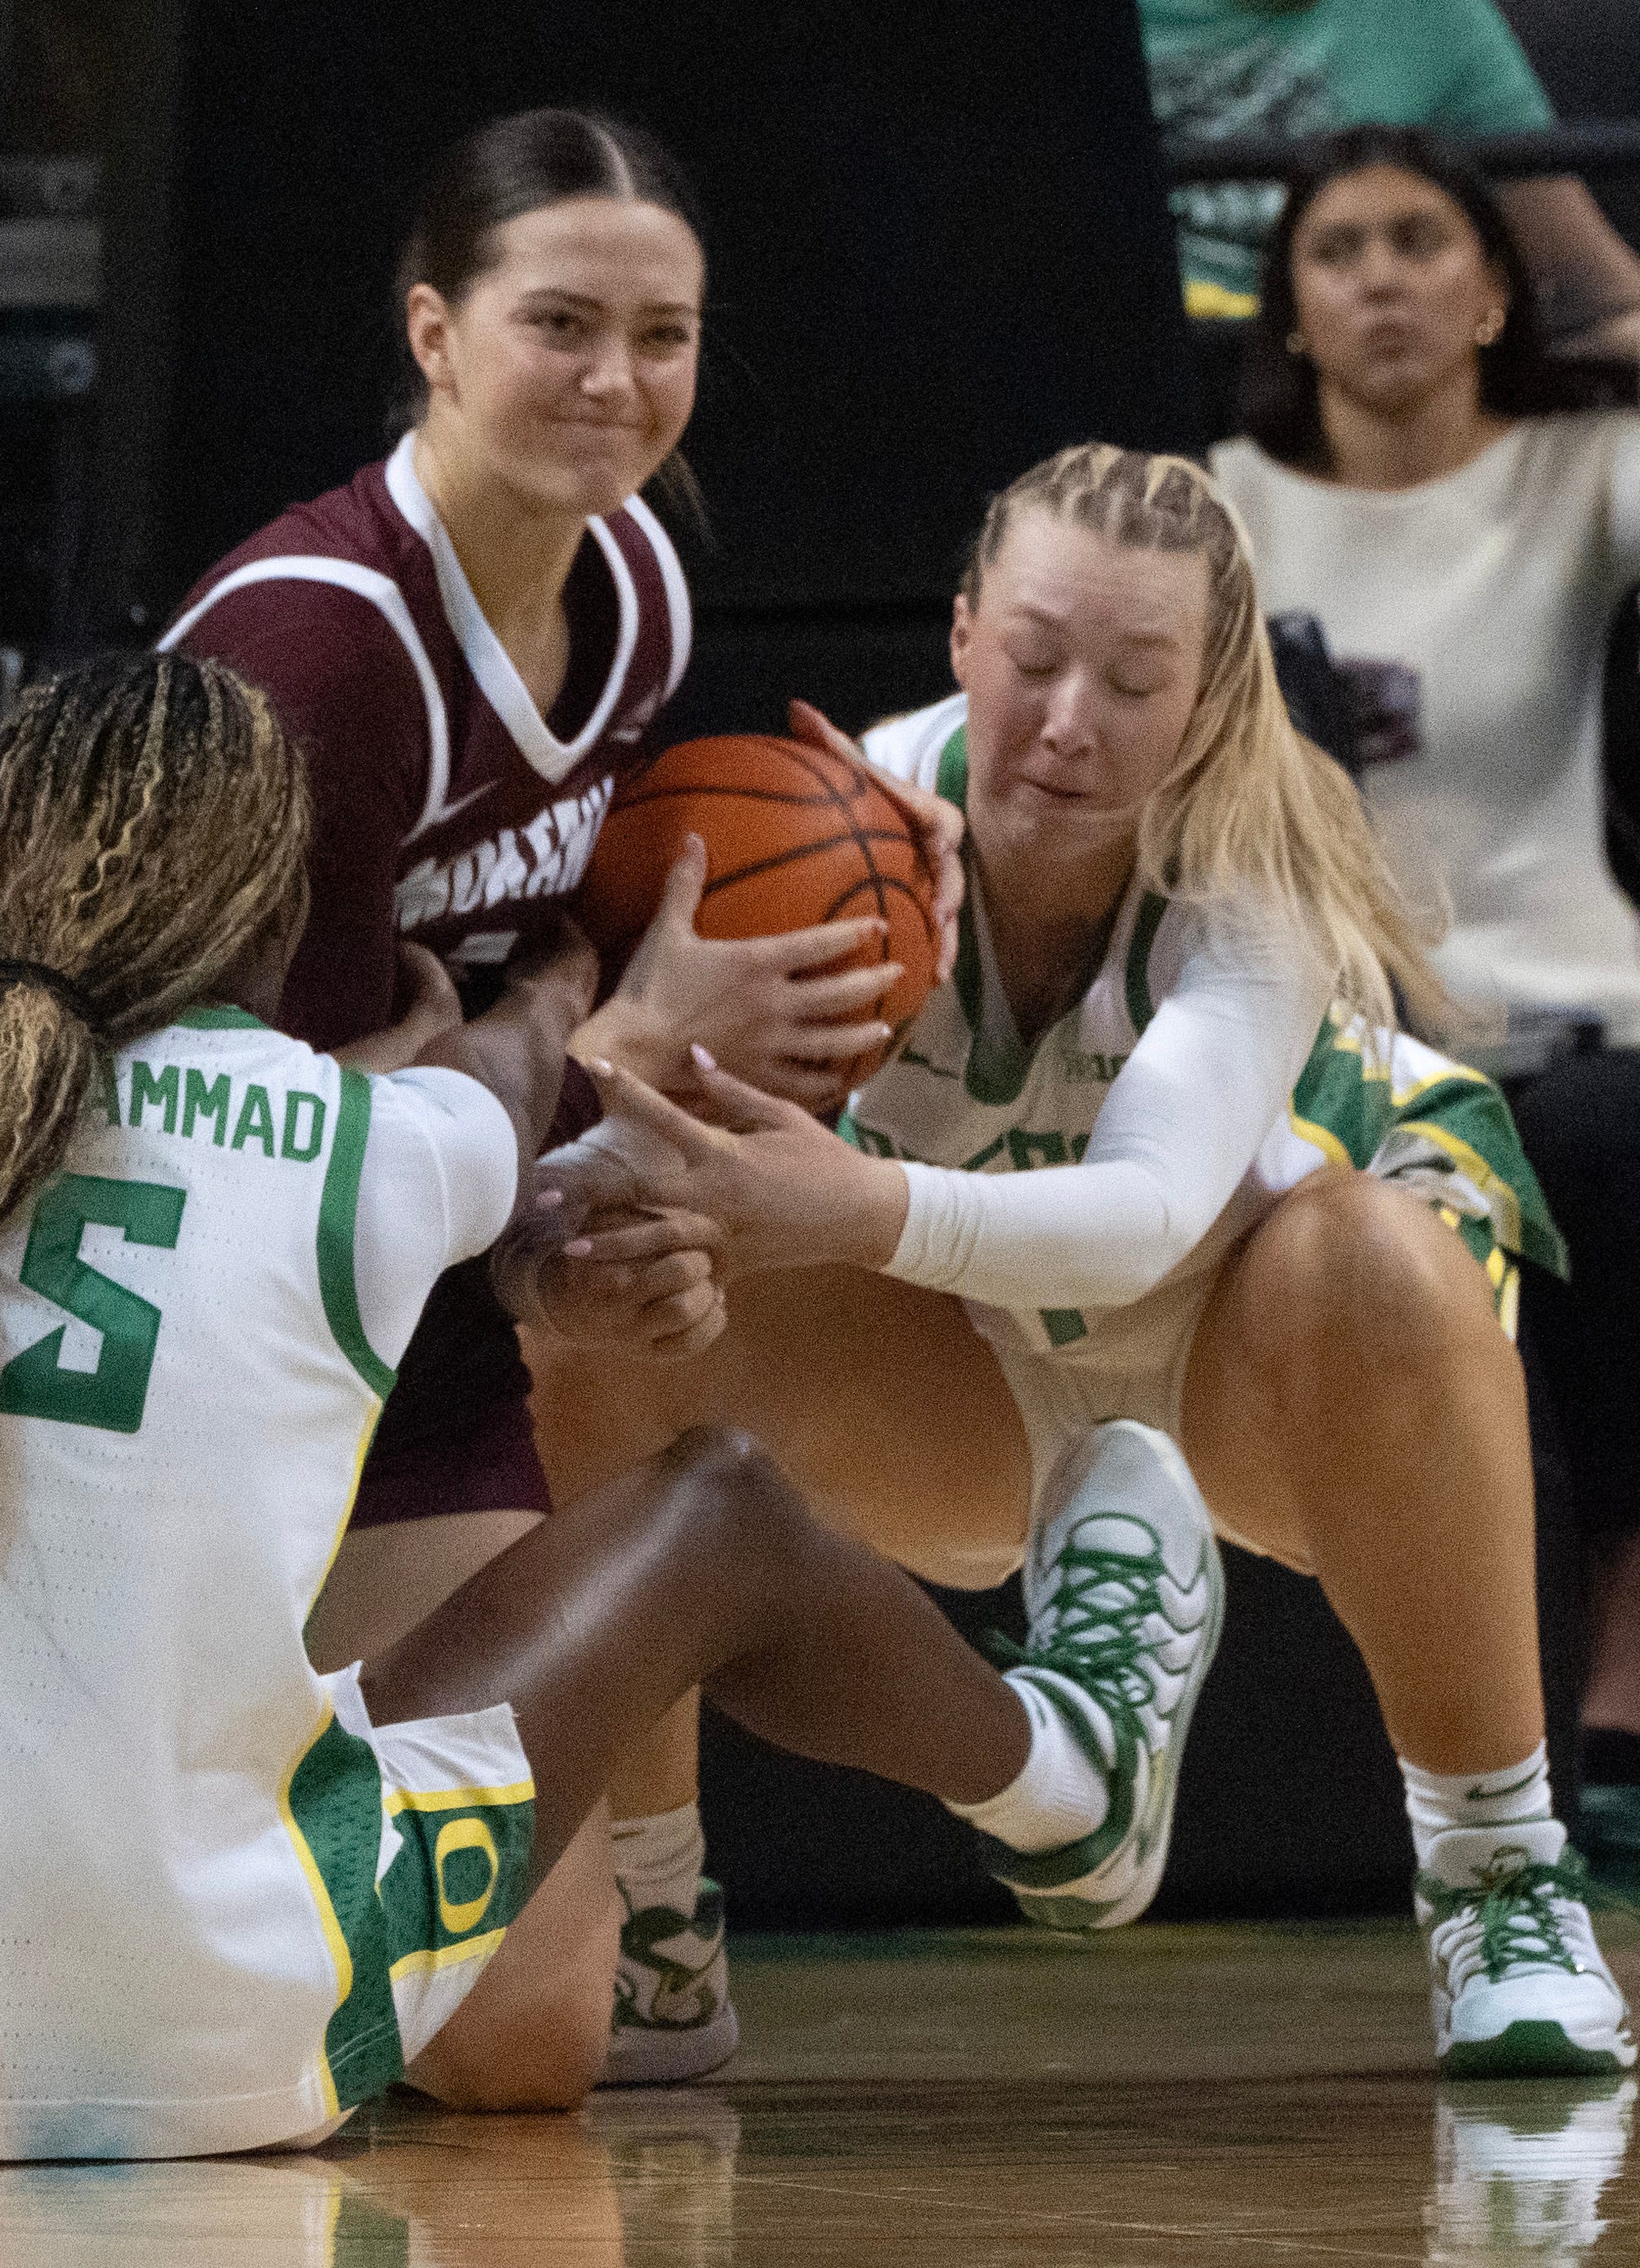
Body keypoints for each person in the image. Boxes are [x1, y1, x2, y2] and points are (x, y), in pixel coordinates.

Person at [0, 651, 1194, 2161]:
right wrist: (569, 970)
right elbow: (518, 1072)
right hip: (219, 2060)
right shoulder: (379, 1155)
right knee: (716, 1510)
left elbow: (98, 1130)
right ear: (280, 910)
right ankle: (1064, 1783)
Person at [519, 441, 1635, 2078]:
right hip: (964, 1374)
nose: (1065, 719)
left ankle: (1498, 1878)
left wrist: (847, 1205)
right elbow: (583, 1198)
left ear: (1203, 697)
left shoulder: (1249, 868)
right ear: (961, 632)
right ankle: (655, 1926)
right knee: (607, 1295)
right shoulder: (828, 837)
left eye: (1131, 679)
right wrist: (625, 1106)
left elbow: (1144, 1219)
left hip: (1270, 1368)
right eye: (1033, 659)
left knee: (1377, 1254)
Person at [154, 104, 961, 2090]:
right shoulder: (306, 657)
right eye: (558, 324)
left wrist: (647, 1093)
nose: (615, 384)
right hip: (190, 1336)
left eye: (663, 336)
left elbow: (548, 979)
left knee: (516, 2040)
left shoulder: (637, 591)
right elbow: (242, 1134)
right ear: (431, 329)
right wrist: (588, 1066)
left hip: (403, 1343)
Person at [1210, 124, 1640, 1872]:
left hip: (1587, 1011)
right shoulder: (1213, 494)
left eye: (1418, 244)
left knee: (1619, 1171)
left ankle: (1612, 1700)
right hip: (1326, 1022)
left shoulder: (1583, 464)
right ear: (1289, 306)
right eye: (1338, 250)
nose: (1380, 278)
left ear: (1486, 293)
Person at [1140, 0, 1640, 354]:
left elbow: (1593, 297)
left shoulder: (1433, 17)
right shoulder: (1070, 33)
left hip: (1378, 424)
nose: (1381, 280)